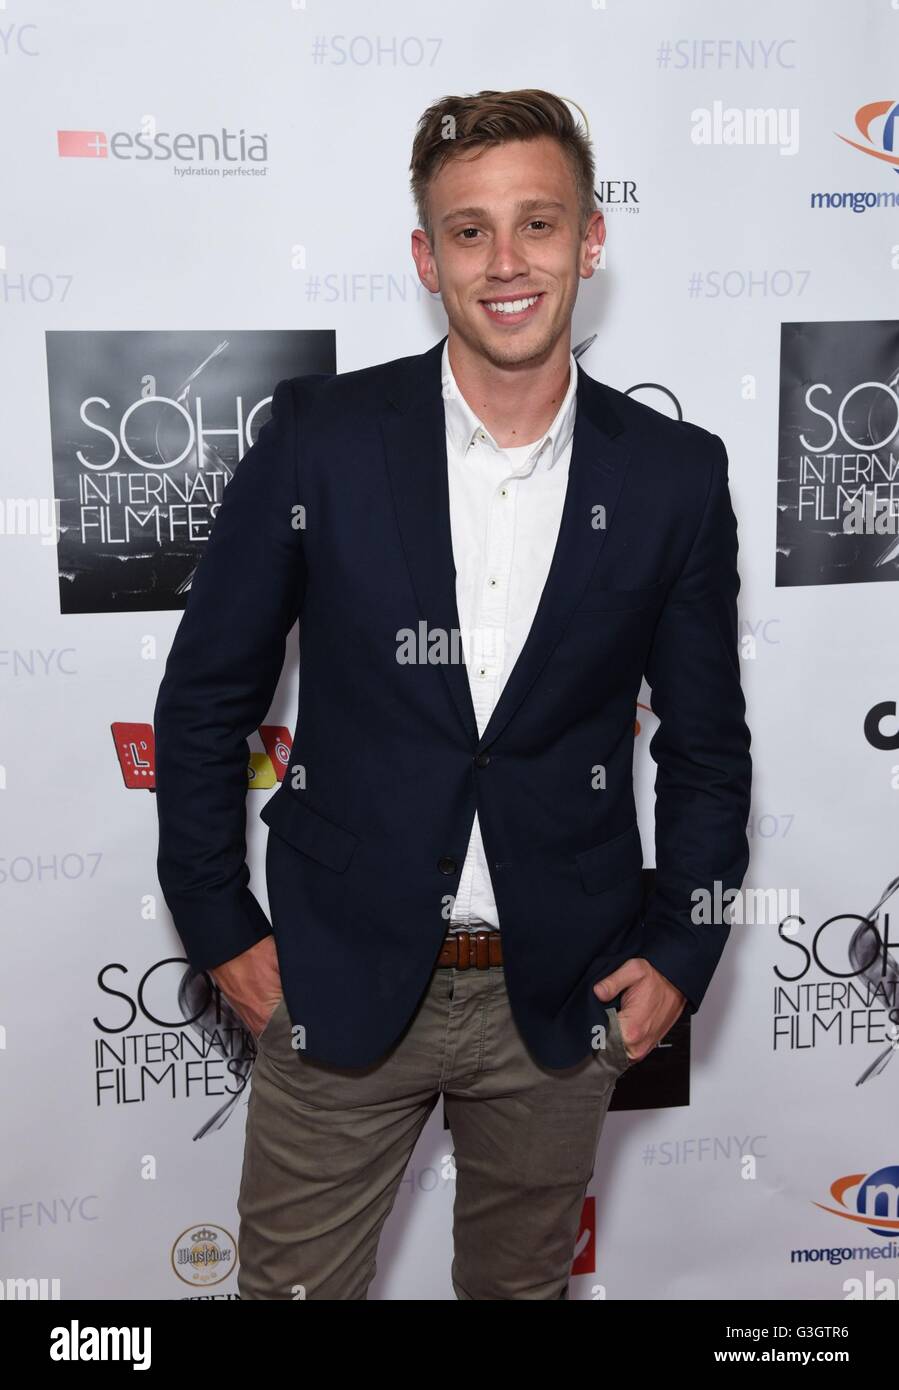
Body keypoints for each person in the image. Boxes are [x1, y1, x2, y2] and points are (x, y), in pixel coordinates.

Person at [153, 87, 752, 1300]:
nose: (506, 261)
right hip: (337, 970)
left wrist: (684, 946)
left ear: (589, 242)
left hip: (559, 987)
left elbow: (703, 744)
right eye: (468, 231)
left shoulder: (673, 477)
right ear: (426, 259)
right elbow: (206, 694)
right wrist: (218, 925)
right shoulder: (321, 437)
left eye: (538, 224)